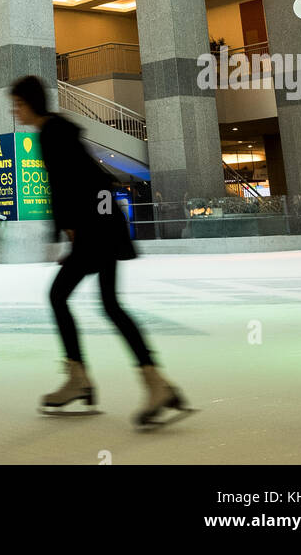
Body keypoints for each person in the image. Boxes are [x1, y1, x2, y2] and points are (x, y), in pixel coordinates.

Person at [10, 75, 187, 424]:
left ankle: (80, 379)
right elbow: (84, 182)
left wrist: (67, 231)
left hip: (97, 227)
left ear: (30, 103)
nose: (15, 111)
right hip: (103, 224)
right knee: (109, 305)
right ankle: (154, 381)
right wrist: (73, 229)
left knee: (61, 296)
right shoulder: (57, 131)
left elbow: (63, 187)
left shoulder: (51, 134)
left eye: (17, 104)